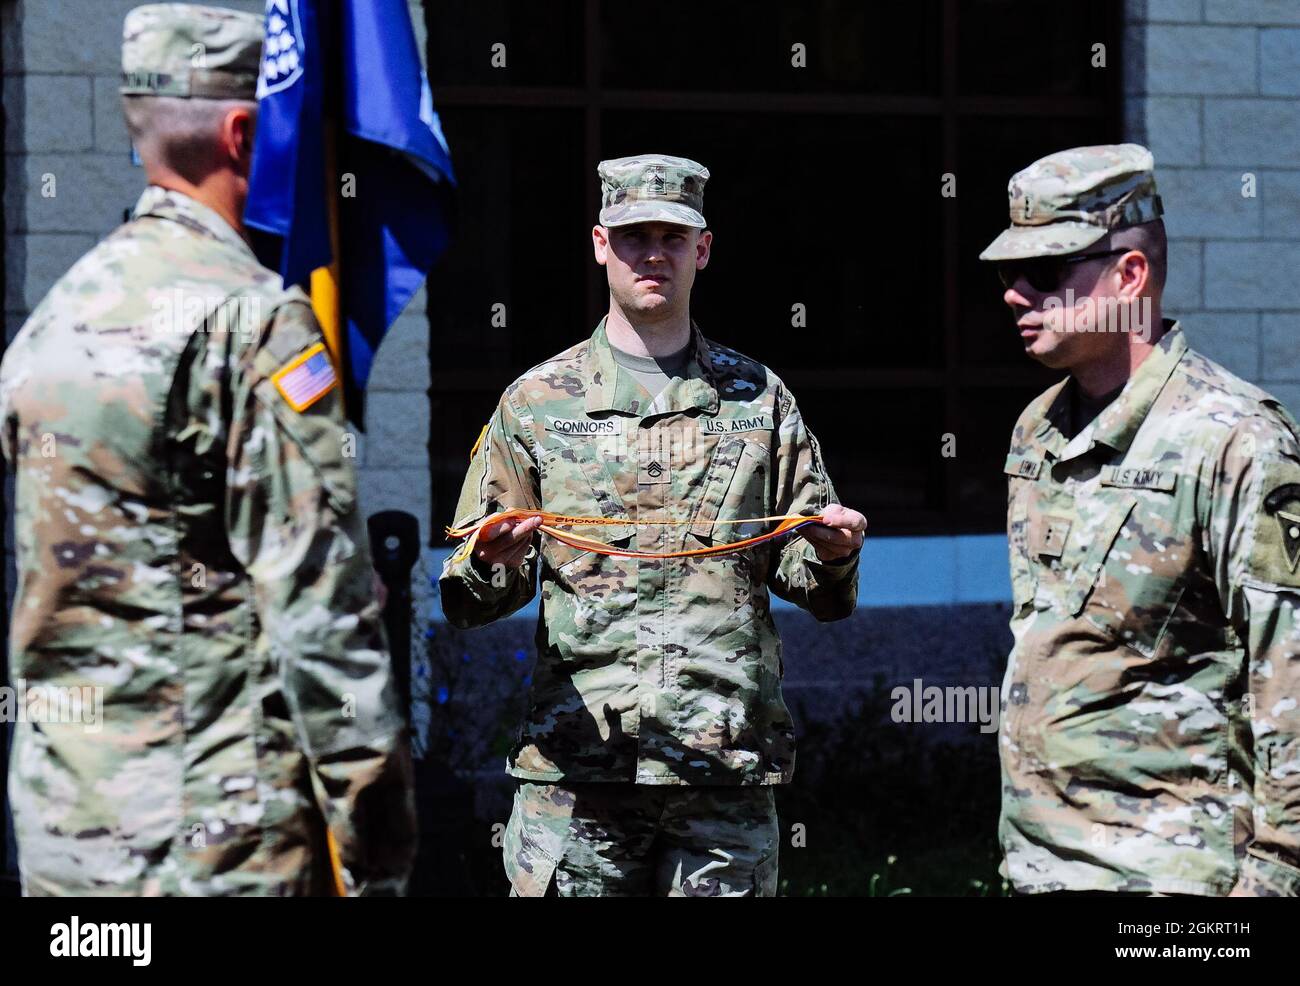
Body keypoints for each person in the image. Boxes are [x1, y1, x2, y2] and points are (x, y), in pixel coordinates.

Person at [0, 3, 415, 896]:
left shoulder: (50, 326)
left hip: (70, 842)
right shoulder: (254, 323)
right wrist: (378, 842)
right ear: (240, 133)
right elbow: (321, 614)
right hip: (217, 839)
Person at [440, 153, 867, 896]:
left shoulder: (759, 400)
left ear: (702, 250)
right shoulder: (538, 403)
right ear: (600, 244)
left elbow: (817, 589)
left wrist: (834, 554)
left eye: (672, 237)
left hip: (720, 771)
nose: (652, 255)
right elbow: (466, 601)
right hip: (579, 772)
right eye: (634, 236)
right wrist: (494, 563)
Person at [982, 143, 1300, 896]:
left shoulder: (1235, 440)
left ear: (1129, 276)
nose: (1014, 295)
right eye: (1006, 274)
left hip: (1177, 877)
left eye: (1047, 272)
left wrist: (1278, 875)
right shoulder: (1038, 431)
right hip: (1040, 860)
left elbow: (1288, 675)